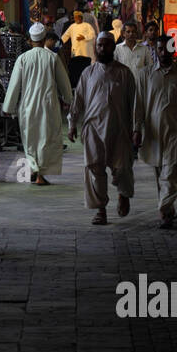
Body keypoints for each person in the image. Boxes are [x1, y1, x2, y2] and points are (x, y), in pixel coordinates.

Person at [133, 39, 177, 229]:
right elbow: (138, 105)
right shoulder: (145, 75)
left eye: (167, 49)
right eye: (160, 49)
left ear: (174, 50)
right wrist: (136, 129)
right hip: (154, 133)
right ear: (155, 51)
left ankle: (163, 208)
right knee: (160, 174)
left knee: (172, 172)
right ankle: (168, 208)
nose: (164, 52)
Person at [69, 30, 137, 225]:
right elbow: (78, 101)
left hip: (120, 129)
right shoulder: (88, 73)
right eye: (99, 45)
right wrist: (73, 124)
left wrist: (137, 128)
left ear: (113, 47)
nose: (102, 48)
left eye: (106, 44)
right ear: (95, 48)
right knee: (95, 169)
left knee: (123, 167)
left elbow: (134, 103)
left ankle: (123, 194)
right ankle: (100, 210)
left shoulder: (124, 73)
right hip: (93, 130)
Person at [2, 22, 73, 186]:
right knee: (46, 138)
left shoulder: (23, 58)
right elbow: (64, 84)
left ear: (30, 40)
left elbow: (14, 85)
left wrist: (8, 107)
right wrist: (69, 100)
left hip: (27, 106)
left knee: (29, 139)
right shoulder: (53, 58)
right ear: (44, 39)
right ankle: (40, 174)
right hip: (48, 105)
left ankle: (33, 170)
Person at [61, 10, 98, 86]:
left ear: (81, 18)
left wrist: (84, 37)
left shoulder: (87, 26)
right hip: (76, 50)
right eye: (75, 18)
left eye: (77, 17)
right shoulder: (72, 26)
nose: (76, 19)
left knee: (88, 66)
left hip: (86, 51)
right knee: (76, 67)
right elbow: (65, 36)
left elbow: (93, 35)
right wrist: (59, 43)